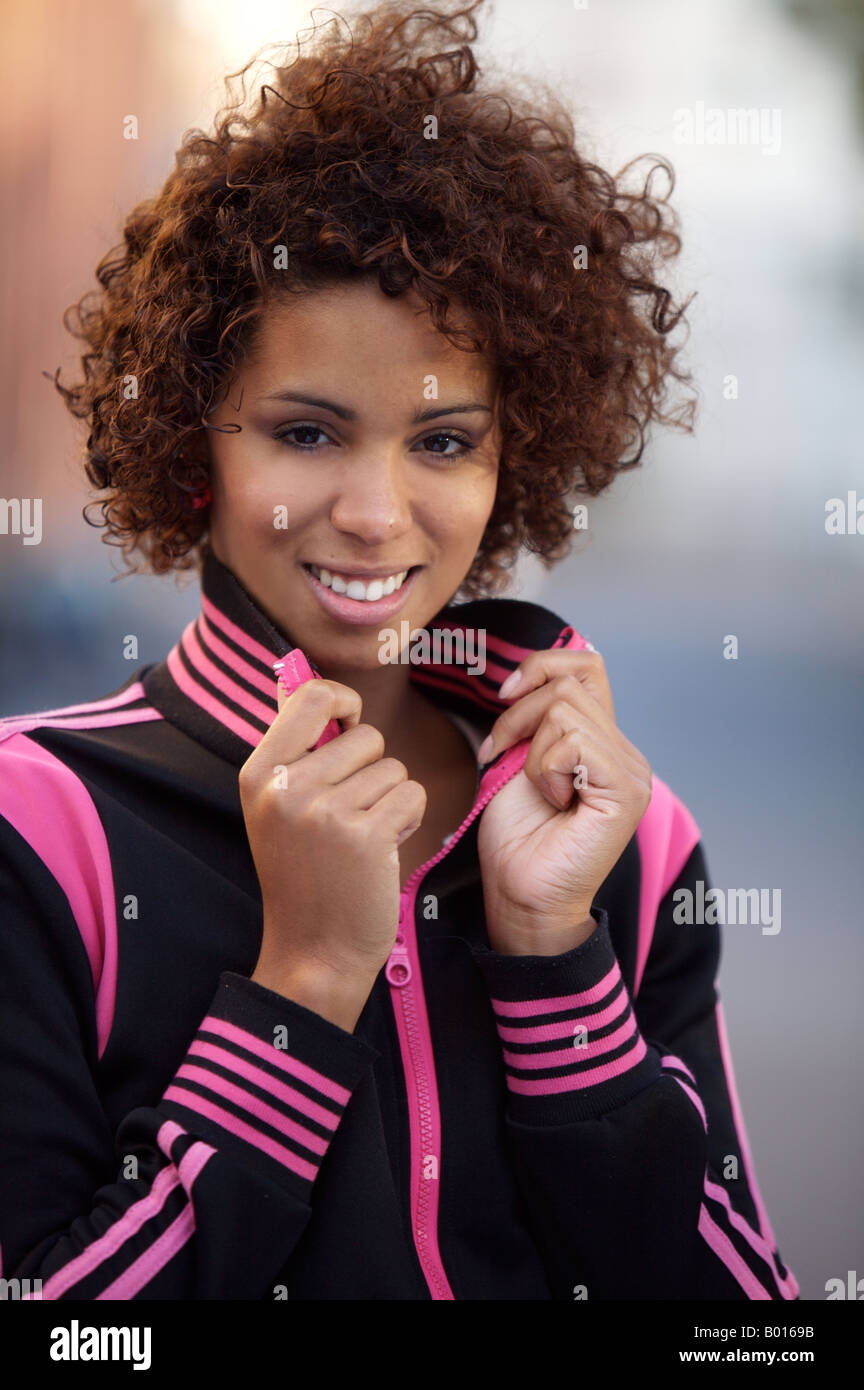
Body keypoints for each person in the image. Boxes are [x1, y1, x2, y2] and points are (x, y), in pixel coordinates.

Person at [0, 0, 797, 1300]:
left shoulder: (628, 842)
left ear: (513, 460)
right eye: (306, 432)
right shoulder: (42, 835)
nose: (376, 514)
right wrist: (303, 984)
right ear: (195, 445)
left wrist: (554, 961)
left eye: (442, 442)